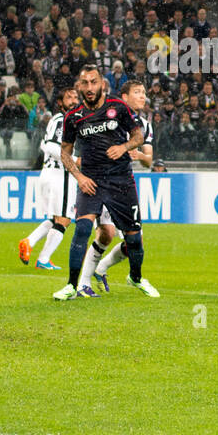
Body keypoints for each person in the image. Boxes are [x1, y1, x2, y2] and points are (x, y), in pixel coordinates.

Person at [55, 65, 156, 299]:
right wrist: (79, 177)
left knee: (133, 238)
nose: (89, 88)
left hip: (121, 180)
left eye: (93, 82)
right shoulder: (73, 117)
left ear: (102, 84)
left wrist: (123, 147)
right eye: (84, 83)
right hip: (91, 180)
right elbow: (64, 153)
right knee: (81, 228)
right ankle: (72, 285)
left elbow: (138, 137)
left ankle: (136, 278)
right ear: (79, 86)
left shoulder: (118, 108)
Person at [86, 80, 154, 291]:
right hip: (103, 180)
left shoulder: (144, 125)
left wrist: (138, 154)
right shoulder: (109, 116)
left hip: (124, 183)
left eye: (144, 92)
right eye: (137, 92)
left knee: (135, 242)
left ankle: (102, 268)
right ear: (124, 97)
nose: (142, 96)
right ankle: (83, 282)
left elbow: (149, 160)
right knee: (106, 232)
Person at [19, 87, 79, 271]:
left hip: (51, 173)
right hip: (61, 174)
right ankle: (43, 258)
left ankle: (29, 241)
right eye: (69, 97)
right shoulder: (62, 120)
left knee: (57, 218)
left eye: (76, 96)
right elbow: (51, 147)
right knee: (65, 219)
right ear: (60, 102)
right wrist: (76, 161)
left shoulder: (66, 120)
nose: (74, 100)